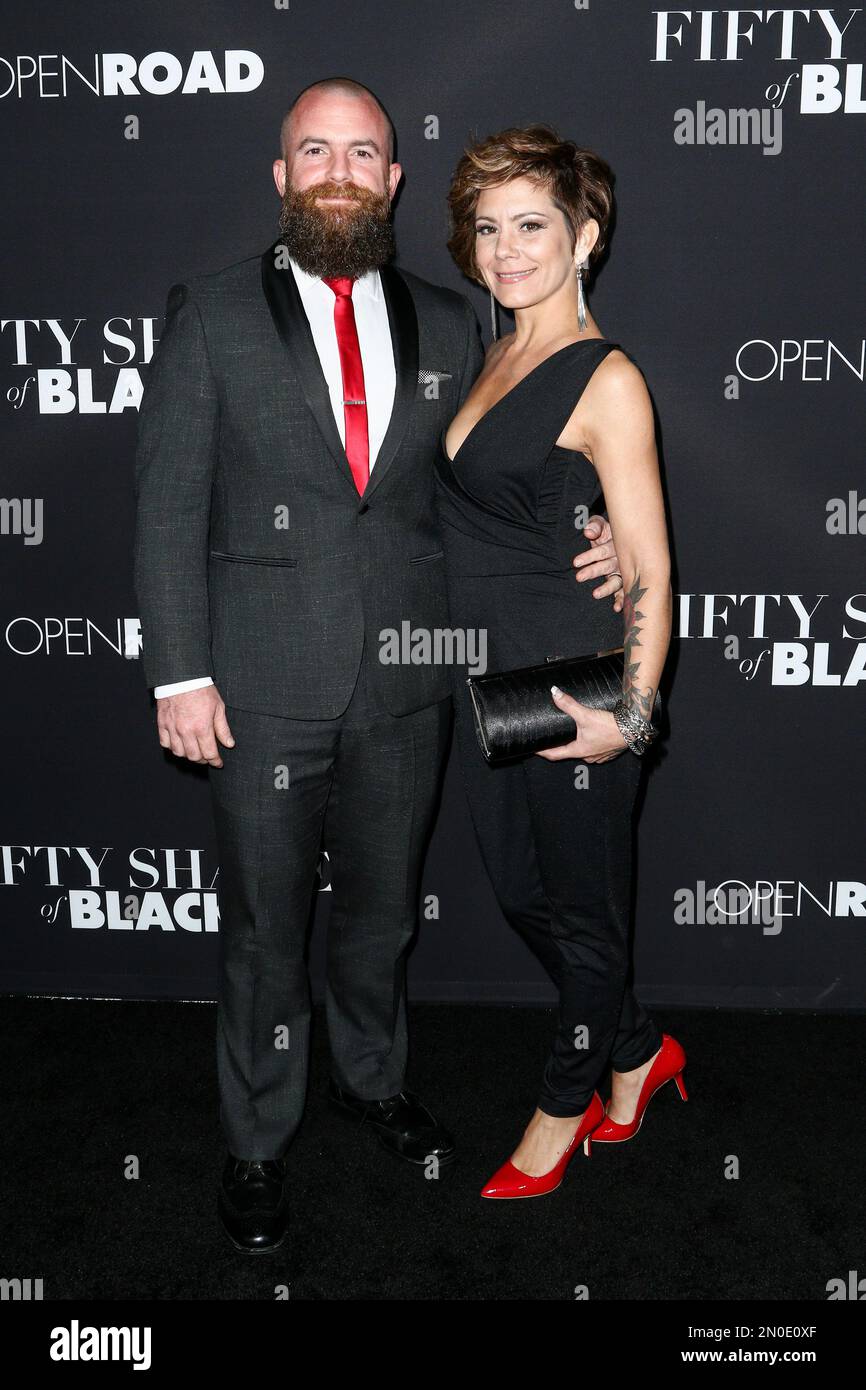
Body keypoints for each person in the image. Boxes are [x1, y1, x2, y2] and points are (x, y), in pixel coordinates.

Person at [133, 83, 627, 1248]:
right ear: (281, 173)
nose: (341, 169)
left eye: (365, 151)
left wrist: (595, 530)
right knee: (263, 929)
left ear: (394, 181)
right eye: (316, 150)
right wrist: (177, 673)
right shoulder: (206, 313)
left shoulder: (454, 322)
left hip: (411, 681)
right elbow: (165, 509)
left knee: (381, 915)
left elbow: (506, 470)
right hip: (256, 684)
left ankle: (369, 1076)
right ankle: (257, 1140)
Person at [435, 124, 687, 1200]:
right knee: (518, 891)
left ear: (582, 236)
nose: (503, 249)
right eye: (486, 228)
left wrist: (628, 714)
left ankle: (563, 1100)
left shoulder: (607, 377)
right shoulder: (490, 350)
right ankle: (638, 1049)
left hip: (574, 680)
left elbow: (646, 568)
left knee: (581, 911)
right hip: (492, 689)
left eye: (529, 225)